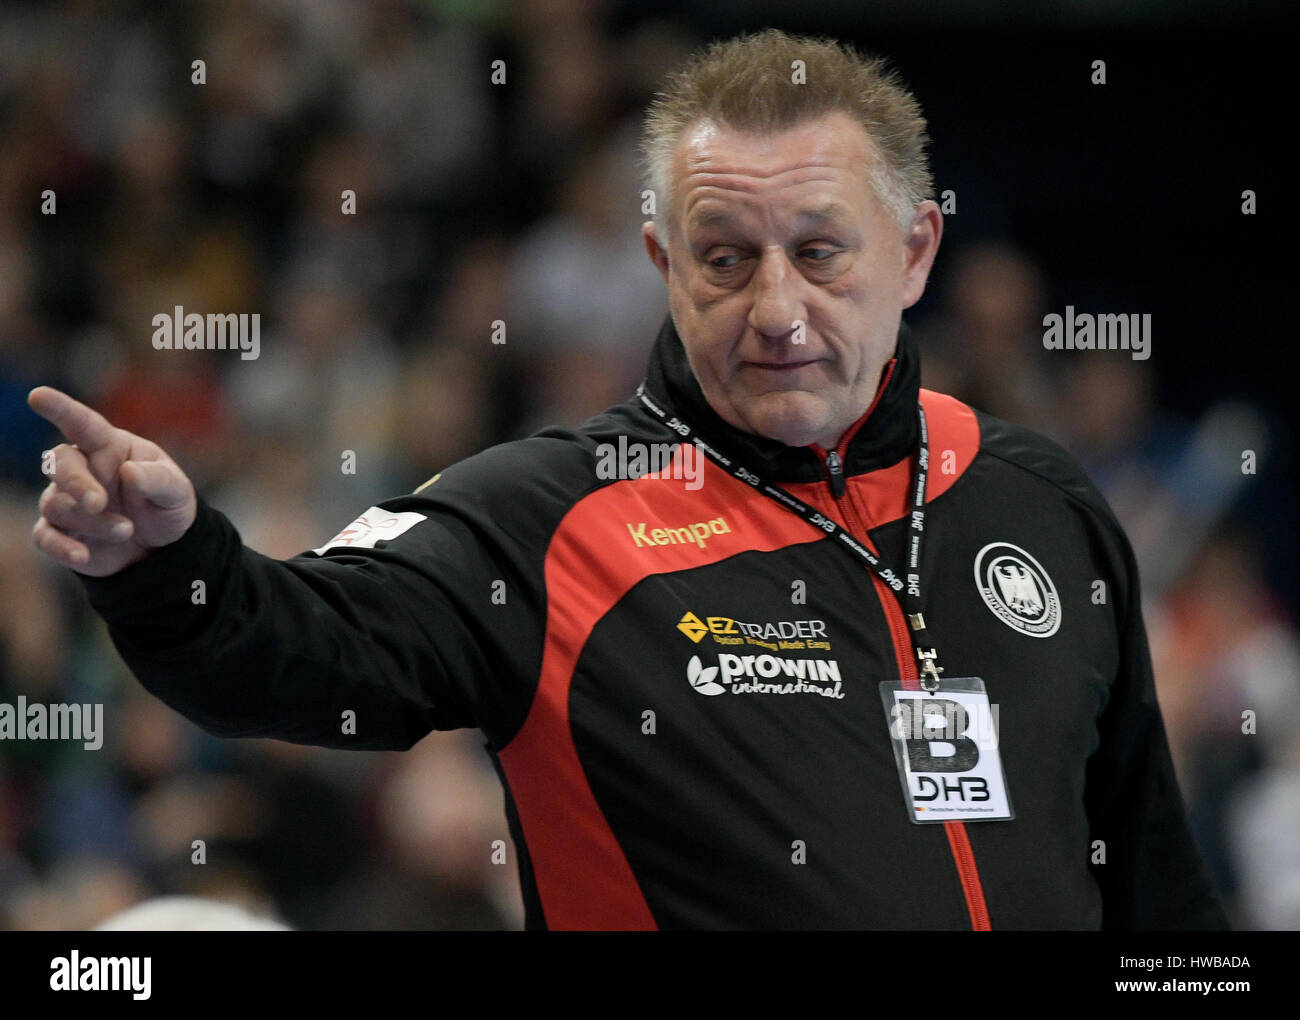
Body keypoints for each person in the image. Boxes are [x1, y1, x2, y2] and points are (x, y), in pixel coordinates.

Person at [27, 28, 1227, 930]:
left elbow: (1155, 882)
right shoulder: (545, 519)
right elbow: (295, 645)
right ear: (661, 260)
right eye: (723, 257)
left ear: (913, 252)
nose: (774, 309)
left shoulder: (1041, 502)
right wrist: (166, 566)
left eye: (818, 252)